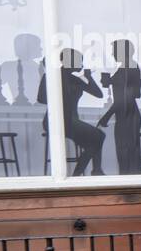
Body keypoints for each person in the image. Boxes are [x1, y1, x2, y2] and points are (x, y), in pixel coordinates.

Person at [37, 48, 105, 176]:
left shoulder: (75, 80)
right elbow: (41, 98)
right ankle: (89, 172)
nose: (82, 65)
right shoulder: (52, 76)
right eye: (80, 61)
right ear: (70, 61)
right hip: (56, 121)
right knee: (98, 136)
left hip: (72, 121)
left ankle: (85, 173)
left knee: (95, 142)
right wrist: (60, 94)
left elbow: (98, 94)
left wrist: (88, 77)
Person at [97, 39, 141, 175]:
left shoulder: (129, 67)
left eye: (114, 51)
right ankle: (132, 181)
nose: (112, 54)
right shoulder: (128, 67)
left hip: (128, 116)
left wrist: (106, 116)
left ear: (123, 51)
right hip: (126, 115)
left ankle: (131, 183)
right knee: (128, 154)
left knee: (126, 153)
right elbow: (133, 93)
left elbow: (126, 97)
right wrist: (111, 81)